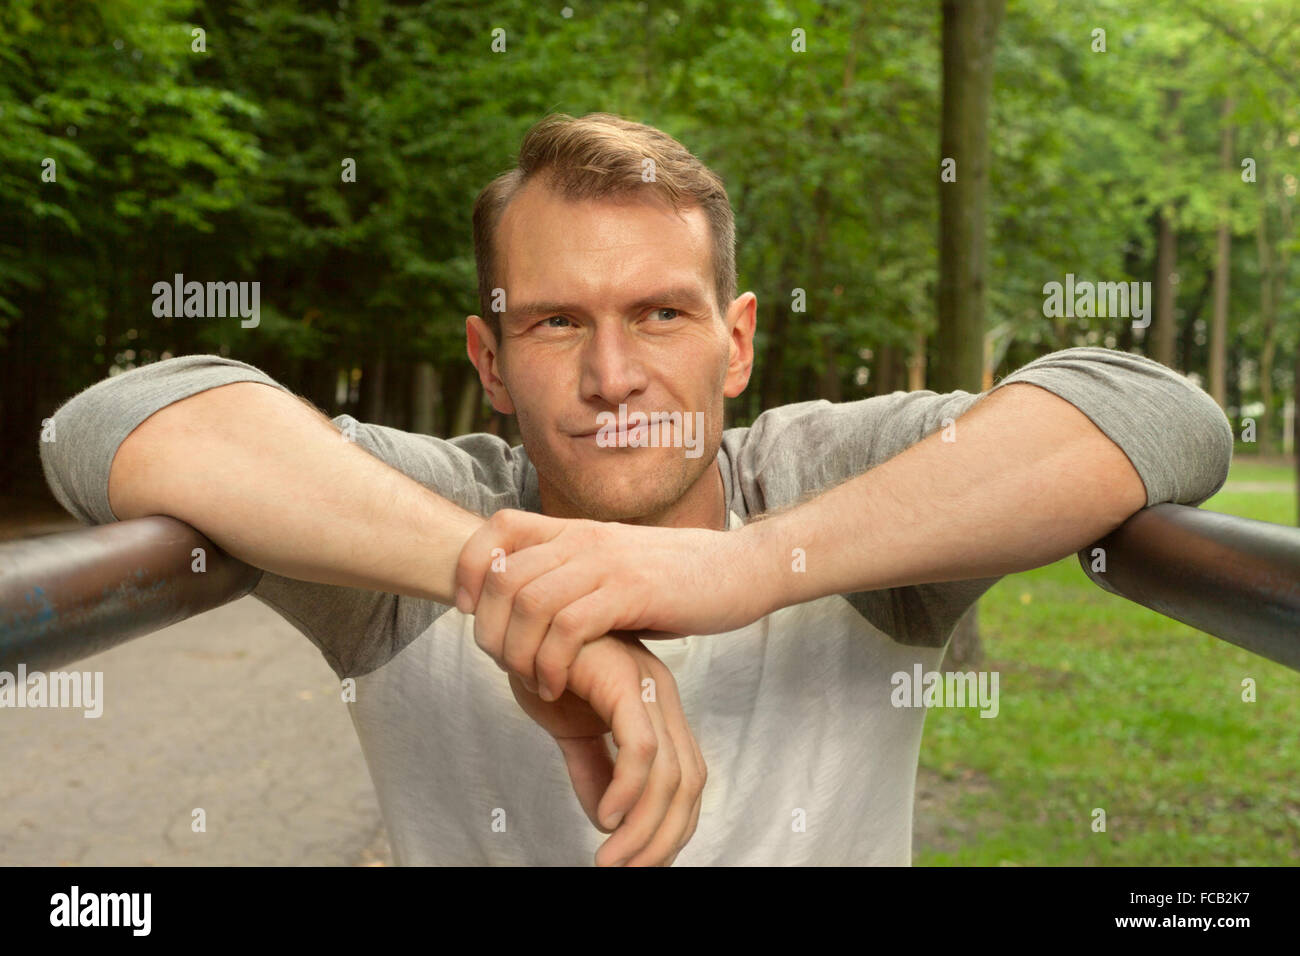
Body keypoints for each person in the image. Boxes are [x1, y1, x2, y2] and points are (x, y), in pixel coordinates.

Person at [39, 112, 1233, 866]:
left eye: (662, 312)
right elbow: (113, 422)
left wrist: (746, 565)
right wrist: (501, 575)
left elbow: (1151, 411)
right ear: (488, 362)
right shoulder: (432, 510)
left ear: (737, 342)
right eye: (557, 321)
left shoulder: (828, 479)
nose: (614, 378)